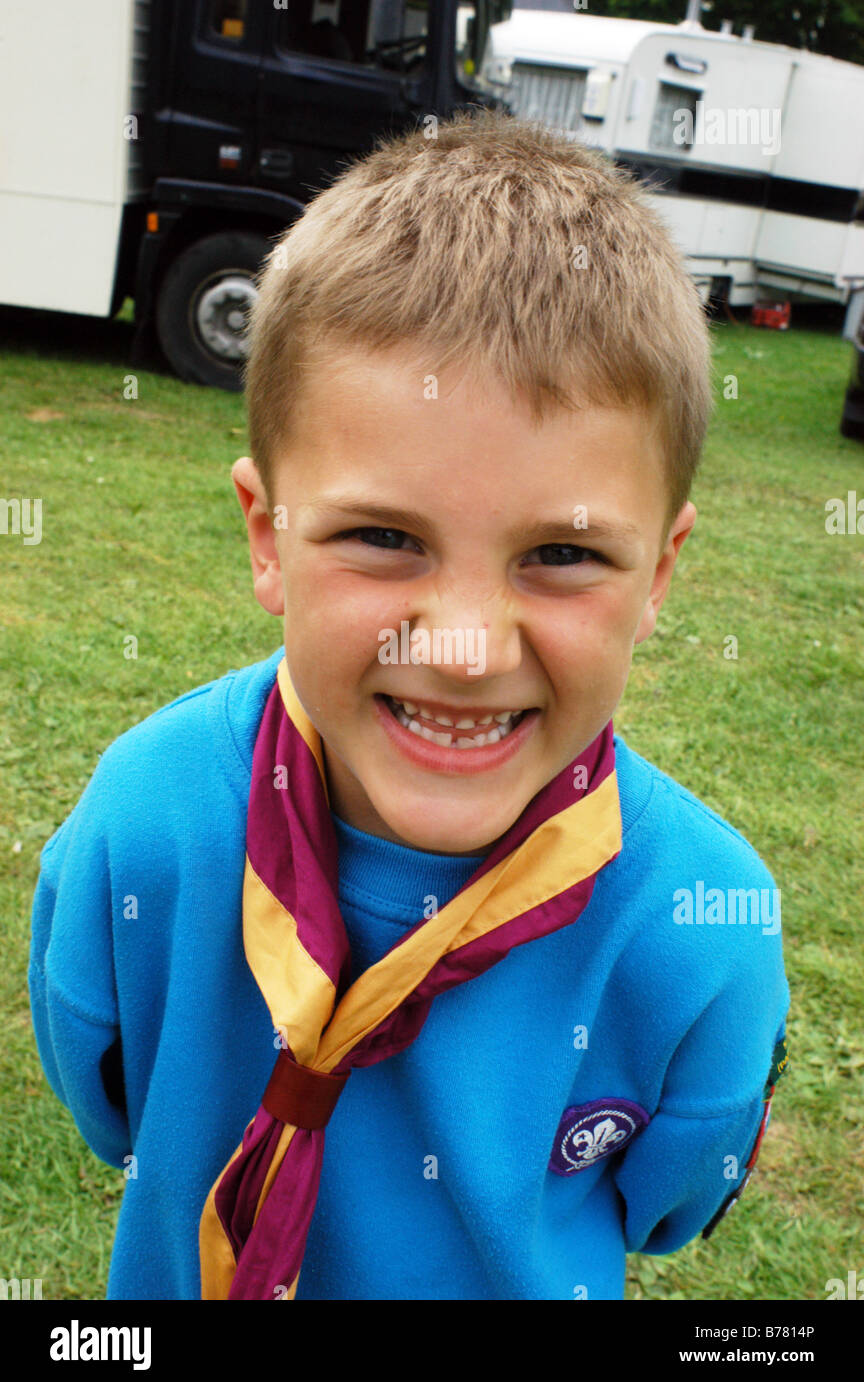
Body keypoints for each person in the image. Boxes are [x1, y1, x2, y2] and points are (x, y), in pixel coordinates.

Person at [29, 109, 790, 1301]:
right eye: (384, 537)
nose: (466, 644)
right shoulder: (146, 826)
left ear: (662, 573)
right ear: (266, 536)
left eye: (562, 554)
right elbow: (105, 1095)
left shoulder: (705, 926)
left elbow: (675, 1200)